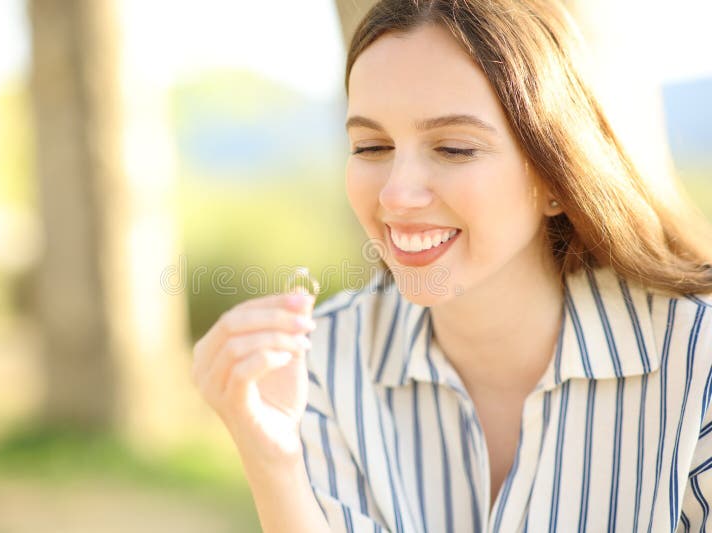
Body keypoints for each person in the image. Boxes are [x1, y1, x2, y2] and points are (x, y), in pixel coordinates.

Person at [191, 1, 712, 532]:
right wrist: (273, 464)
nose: (396, 194)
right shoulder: (316, 369)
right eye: (371, 146)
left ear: (555, 177)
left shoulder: (699, 362)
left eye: (454, 148)